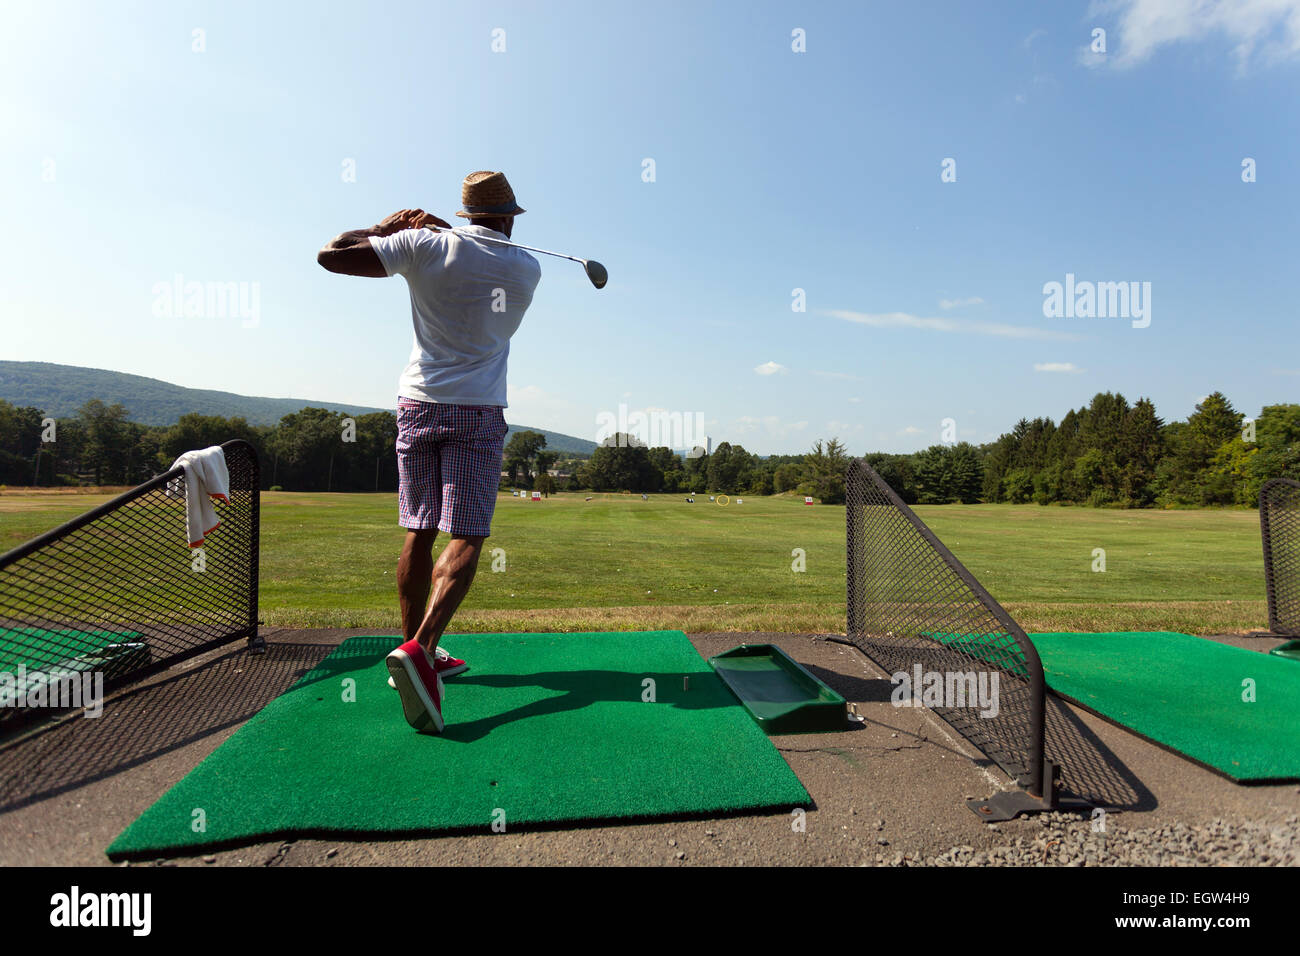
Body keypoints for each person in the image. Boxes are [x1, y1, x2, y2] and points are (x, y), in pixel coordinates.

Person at [316, 171, 541, 733]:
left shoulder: (423, 245)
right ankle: (423, 650)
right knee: (465, 533)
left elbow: (330, 256)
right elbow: (476, 261)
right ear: (510, 216)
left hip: (418, 403)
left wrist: (386, 229)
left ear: (465, 214)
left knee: (418, 529)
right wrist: (438, 237)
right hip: (479, 408)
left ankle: (411, 651)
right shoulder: (527, 267)